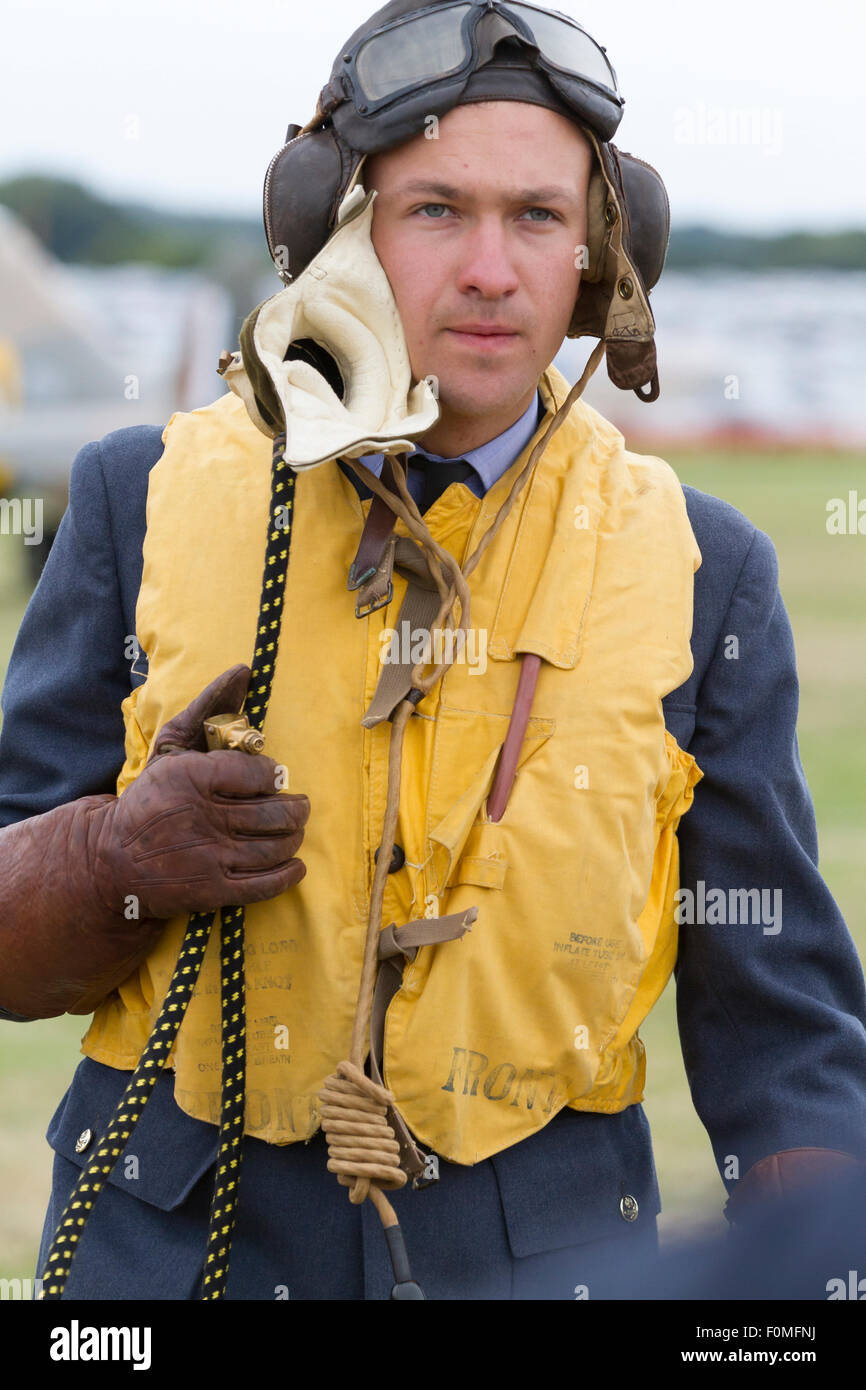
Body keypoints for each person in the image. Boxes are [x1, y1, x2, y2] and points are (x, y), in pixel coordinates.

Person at [1, 0, 865, 1302]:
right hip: (176, 1245)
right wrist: (112, 853)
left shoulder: (702, 562)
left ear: (597, 249)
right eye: (434, 210)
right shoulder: (141, 491)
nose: (488, 268)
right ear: (334, 238)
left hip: (548, 1254)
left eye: (535, 216)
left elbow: (779, 1023)